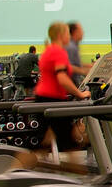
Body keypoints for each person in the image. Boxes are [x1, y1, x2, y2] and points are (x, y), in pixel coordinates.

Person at [20, 22, 90, 168]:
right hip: (53, 100)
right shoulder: (59, 52)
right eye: (66, 33)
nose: (68, 36)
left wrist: (84, 70)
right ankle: (77, 179)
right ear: (60, 35)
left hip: (44, 98)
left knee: (43, 142)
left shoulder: (50, 50)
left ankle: (12, 170)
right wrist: (80, 94)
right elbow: (62, 79)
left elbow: (65, 68)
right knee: (69, 142)